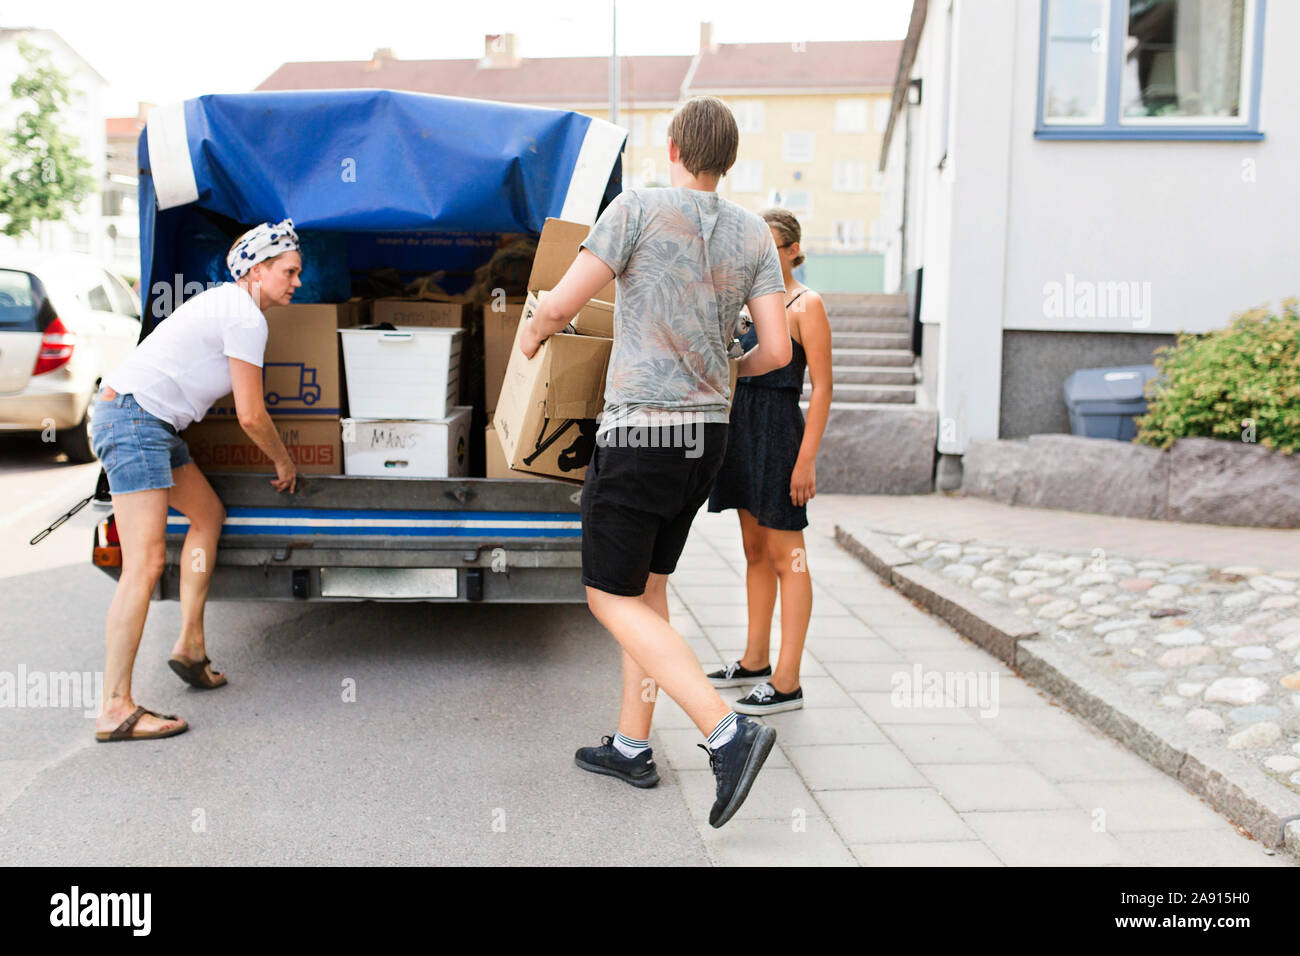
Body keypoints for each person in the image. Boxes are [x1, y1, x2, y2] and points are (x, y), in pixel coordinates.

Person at [519, 95, 792, 828]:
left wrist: (530, 339)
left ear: (673, 147)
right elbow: (777, 350)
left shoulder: (635, 210)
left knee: (606, 597)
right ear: (727, 159)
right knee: (646, 589)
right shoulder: (753, 236)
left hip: (641, 434)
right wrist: (724, 363)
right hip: (707, 437)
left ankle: (726, 732)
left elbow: (562, 302)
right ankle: (632, 744)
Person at [89, 219, 302, 742]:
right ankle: (115, 706)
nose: (298, 282)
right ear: (257, 270)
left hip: (149, 423)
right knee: (145, 562)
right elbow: (251, 415)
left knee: (207, 515)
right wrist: (284, 461)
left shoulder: (230, 306)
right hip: (136, 421)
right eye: (290, 271)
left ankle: (189, 644)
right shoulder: (245, 317)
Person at [705, 209, 832, 714]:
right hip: (741, 432)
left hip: (779, 435)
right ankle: (755, 660)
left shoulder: (807, 304)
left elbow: (822, 388)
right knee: (755, 552)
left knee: (789, 558)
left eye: (771, 244)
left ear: (793, 250)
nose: (759, 252)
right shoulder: (747, 303)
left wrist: (806, 462)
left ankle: (787, 681)